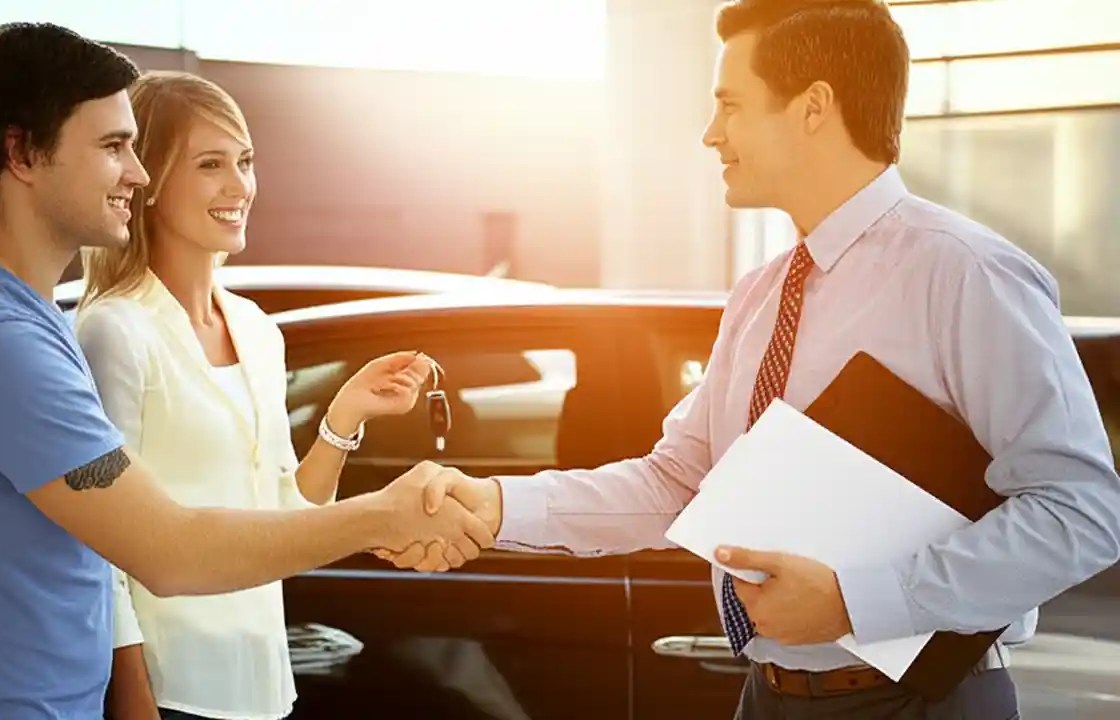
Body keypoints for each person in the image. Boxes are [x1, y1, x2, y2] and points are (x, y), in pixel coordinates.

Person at [402, 1, 1120, 717]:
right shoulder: (760, 296)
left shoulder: (964, 273)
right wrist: (498, 505)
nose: (712, 135)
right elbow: (680, 484)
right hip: (767, 695)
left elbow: (1082, 511)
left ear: (813, 108)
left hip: (921, 702)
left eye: (731, 107)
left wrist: (852, 601)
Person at [0, 23, 493, 720]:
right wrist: (382, 516)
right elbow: (166, 551)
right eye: (112, 147)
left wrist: (345, 435)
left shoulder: (5, 313)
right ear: (22, 153)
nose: (135, 174)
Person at [74, 71, 438, 720]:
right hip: (169, 690)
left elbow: (287, 518)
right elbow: (99, 549)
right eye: (211, 164)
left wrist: (345, 414)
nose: (238, 186)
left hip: (264, 688)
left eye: (244, 161)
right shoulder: (114, 331)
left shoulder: (257, 331)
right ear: (148, 179)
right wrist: (132, 699)